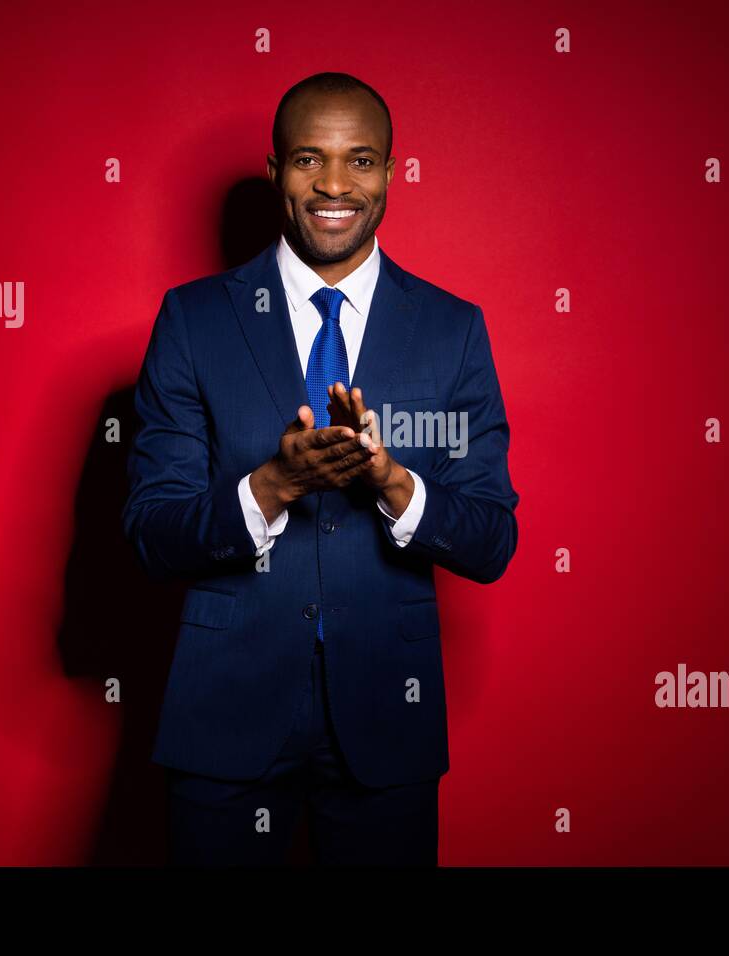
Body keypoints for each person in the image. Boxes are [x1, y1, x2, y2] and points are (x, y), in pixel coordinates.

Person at [123, 71, 519, 865]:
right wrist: (272, 486)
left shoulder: (453, 330)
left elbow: (491, 540)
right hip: (223, 714)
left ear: (391, 172)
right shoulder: (193, 321)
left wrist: (394, 485)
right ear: (274, 172)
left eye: (360, 160)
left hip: (386, 717)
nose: (334, 184)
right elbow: (149, 535)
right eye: (309, 159)